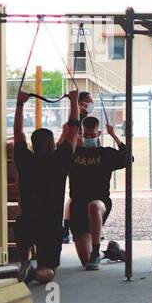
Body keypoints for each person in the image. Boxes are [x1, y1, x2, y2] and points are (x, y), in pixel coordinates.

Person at [12, 91, 77, 284]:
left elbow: (18, 134)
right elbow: (73, 131)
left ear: (33, 144)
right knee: (49, 272)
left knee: (22, 226)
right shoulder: (60, 160)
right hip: (51, 225)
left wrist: (19, 104)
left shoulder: (25, 159)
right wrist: (74, 101)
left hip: (27, 219)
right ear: (51, 144)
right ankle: (35, 273)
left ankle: (25, 260)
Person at [67, 115, 128, 270]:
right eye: (85, 135)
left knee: (93, 206)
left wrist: (114, 135)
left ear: (99, 134)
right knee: (86, 262)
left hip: (100, 202)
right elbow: (58, 151)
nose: (89, 138)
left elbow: (128, 158)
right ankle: (109, 253)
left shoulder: (105, 153)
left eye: (92, 135)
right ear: (80, 134)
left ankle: (95, 250)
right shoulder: (73, 153)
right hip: (78, 206)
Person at [62, 90, 94, 243]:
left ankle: (88, 227)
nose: (92, 104)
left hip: (89, 157)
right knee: (75, 195)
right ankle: (66, 228)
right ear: (81, 103)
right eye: (89, 101)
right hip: (76, 157)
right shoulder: (76, 119)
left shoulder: (87, 118)